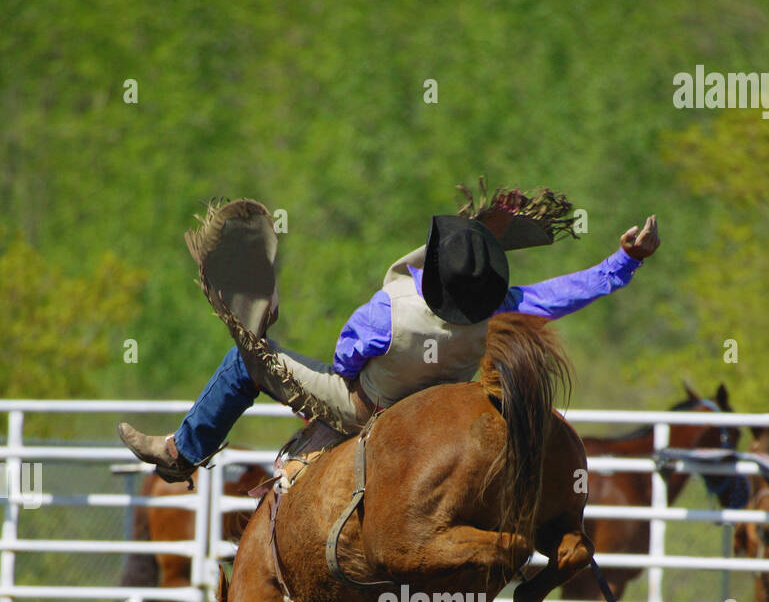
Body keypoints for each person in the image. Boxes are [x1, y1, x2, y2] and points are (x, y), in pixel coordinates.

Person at [118, 185, 660, 483]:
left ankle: (180, 453)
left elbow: (346, 356)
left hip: (366, 409)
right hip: (441, 415)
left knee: (246, 362)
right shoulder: (495, 308)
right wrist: (625, 261)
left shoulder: (389, 308)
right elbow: (565, 294)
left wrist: (330, 398)